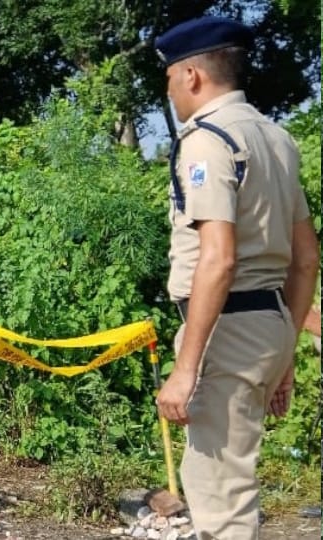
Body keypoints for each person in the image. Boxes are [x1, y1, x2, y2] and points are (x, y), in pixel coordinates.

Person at [154, 17, 320, 540]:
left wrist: (186, 369)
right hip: (268, 322)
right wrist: (284, 349)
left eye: (170, 81)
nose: (172, 93)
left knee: (219, 498)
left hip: (226, 330)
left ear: (193, 76)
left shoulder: (208, 141)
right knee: (229, 484)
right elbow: (306, 259)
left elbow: (218, 259)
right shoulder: (276, 138)